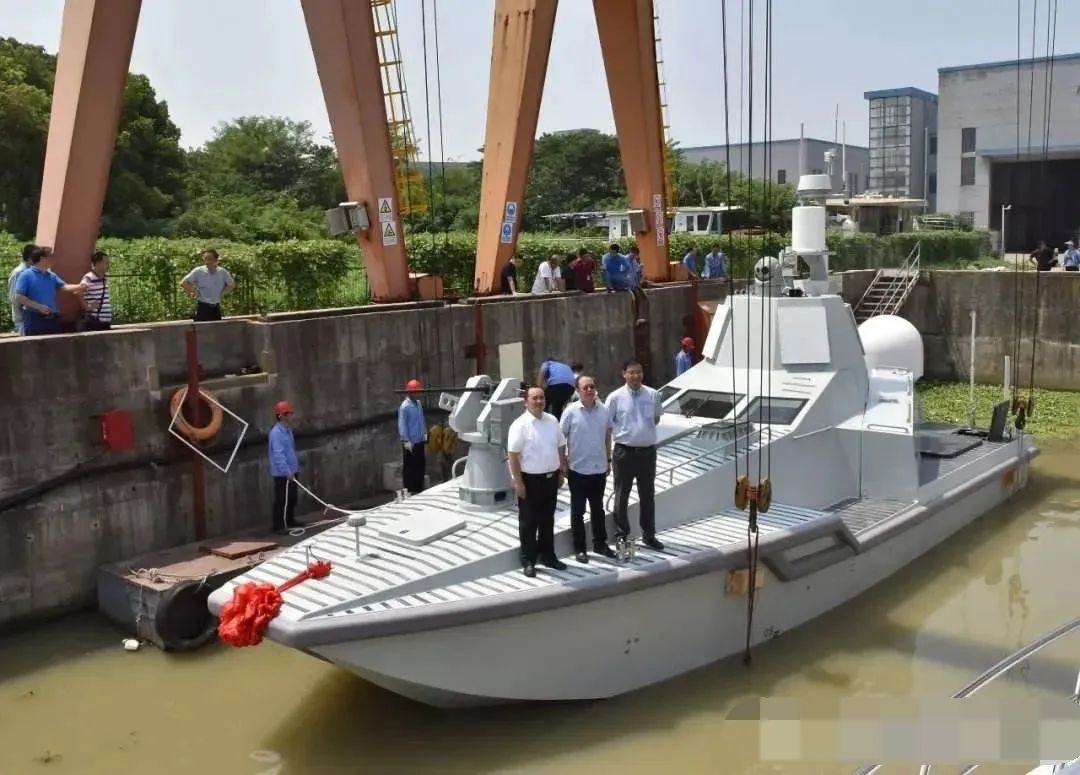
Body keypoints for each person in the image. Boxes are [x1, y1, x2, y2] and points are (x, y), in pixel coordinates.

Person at [507, 386, 569, 577]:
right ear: (526, 402)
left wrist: (561, 471)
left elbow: (560, 446)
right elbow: (513, 455)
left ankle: (548, 556)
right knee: (528, 522)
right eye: (534, 398)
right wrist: (518, 482)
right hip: (529, 480)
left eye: (541, 398)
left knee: (547, 519)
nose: (539, 402)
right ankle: (528, 560)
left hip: (550, 478)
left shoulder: (552, 421)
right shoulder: (520, 425)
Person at [606, 359, 664, 551]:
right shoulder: (614, 398)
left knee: (647, 495)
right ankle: (622, 537)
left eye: (638, 372)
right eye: (631, 372)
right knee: (622, 494)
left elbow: (655, 419)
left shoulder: (654, 394)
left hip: (647, 452)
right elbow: (608, 424)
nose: (636, 376)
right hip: (624, 452)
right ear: (624, 374)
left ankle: (649, 535)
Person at [560, 374, 615, 562]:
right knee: (578, 512)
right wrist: (563, 462)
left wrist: (608, 459)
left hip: (599, 469)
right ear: (578, 391)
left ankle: (600, 544)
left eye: (592, 386)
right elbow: (561, 439)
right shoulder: (570, 411)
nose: (590, 390)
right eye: (585, 387)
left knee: (598, 510)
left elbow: (608, 435)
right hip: (577, 470)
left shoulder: (604, 410)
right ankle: (580, 549)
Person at [13, 246, 85, 336]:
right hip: (34, 318)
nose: (53, 259)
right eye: (51, 256)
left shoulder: (51, 275)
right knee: (35, 347)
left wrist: (80, 286)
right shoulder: (26, 275)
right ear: (42, 258)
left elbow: (64, 287)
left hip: (52, 318)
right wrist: (38, 306)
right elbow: (19, 296)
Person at [269, 400, 299, 533]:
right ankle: (279, 525)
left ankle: (290, 520)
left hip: (292, 470)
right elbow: (278, 454)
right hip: (282, 474)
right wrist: (286, 471)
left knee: (292, 497)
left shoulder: (288, 431)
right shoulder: (276, 433)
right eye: (289, 414)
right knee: (282, 499)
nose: (291, 416)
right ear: (282, 416)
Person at [181, 248, 235, 321]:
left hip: (216, 307)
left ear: (216, 260)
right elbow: (183, 283)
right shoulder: (199, 271)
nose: (207, 262)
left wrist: (222, 293)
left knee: (216, 329)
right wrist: (195, 291)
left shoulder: (222, 272)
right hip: (203, 307)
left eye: (210, 259)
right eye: (205, 259)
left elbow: (232, 285)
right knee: (202, 330)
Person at [398, 378, 428, 495]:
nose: (418, 394)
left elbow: (421, 419)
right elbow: (402, 424)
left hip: (419, 441)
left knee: (420, 465)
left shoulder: (418, 404)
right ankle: (409, 490)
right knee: (410, 468)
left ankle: (419, 488)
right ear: (410, 392)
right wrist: (405, 440)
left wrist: (424, 432)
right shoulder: (405, 407)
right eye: (416, 392)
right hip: (411, 443)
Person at [80, 251, 112, 331]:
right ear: (98, 263)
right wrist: (87, 306)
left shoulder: (103, 278)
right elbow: (78, 291)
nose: (108, 265)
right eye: (106, 263)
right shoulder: (89, 277)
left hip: (104, 323)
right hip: (95, 321)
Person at [8, 243, 35, 334]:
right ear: (30, 258)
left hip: (31, 318)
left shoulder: (30, 272)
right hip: (23, 320)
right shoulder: (19, 273)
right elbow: (14, 298)